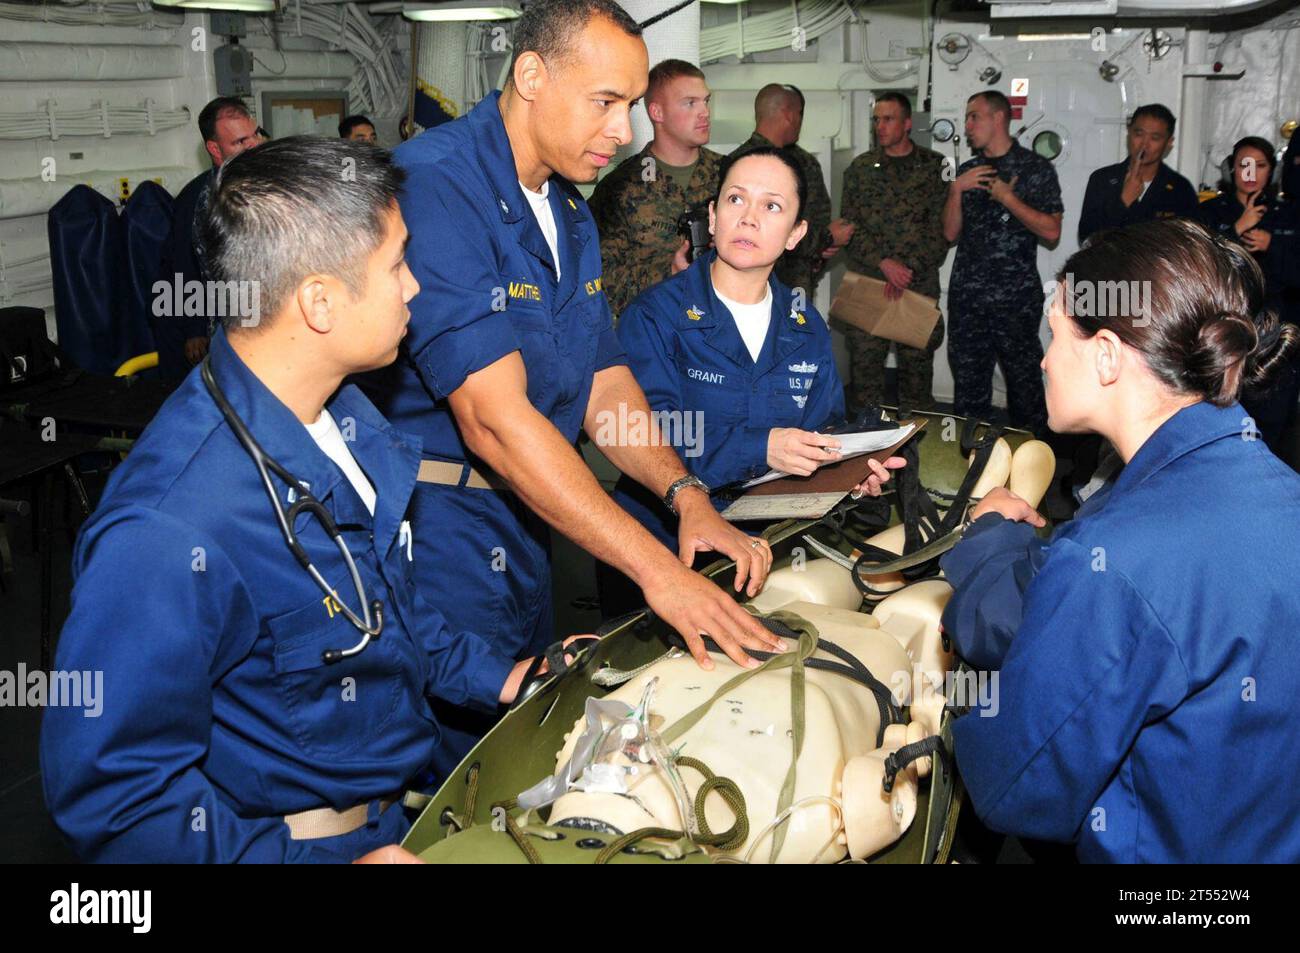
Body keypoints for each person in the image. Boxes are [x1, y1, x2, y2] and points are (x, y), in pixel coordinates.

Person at [41, 138, 569, 863]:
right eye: (396, 264)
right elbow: (118, 796)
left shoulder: (344, 418)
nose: (414, 286)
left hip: (396, 822)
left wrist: (508, 678)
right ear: (319, 301)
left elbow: (383, 608)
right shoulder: (169, 525)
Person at [356, 0, 784, 777]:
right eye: (607, 102)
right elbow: (492, 420)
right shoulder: (438, 188)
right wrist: (659, 573)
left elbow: (602, 384)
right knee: (451, 767)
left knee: (528, 739)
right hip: (438, 534)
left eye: (631, 104)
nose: (624, 131)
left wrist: (684, 494)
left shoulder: (568, 211)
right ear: (530, 76)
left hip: (531, 520)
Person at [946, 218, 1300, 862]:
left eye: (1055, 335)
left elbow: (1014, 789)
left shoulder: (1115, 561)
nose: (1044, 358)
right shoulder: (1278, 488)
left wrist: (947, 720)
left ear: (1107, 355)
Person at [599, 148, 902, 611]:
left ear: (796, 234)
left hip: (769, 549)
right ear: (713, 217)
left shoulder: (806, 327)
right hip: (662, 547)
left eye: (772, 206)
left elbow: (821, 432)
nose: (749, 218)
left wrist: (851, 472)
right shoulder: (656, 316)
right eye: (736, 200)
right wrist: (761, 447)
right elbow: (645, 433)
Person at [943, 90, 1063, 438]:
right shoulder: (967, 170)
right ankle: (967, 471)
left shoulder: (1035, 168)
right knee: (968, 389)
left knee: (1025, 388)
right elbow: (949, 233)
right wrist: (955, 190)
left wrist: (1008, 198)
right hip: (968, 299)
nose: (967, 126)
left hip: (1014, 298)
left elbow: (1052, 230)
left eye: (973, 117)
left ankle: (1032, 469)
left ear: (998, 118)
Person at [839, 92, 950, 411]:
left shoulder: (935, 167)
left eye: (888, 119)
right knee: (866, 381)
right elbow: (850, 227)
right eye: (876, 119)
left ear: (907, 124)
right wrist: (884, 264)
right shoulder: (860, 168)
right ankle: (867, 449)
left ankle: (918, 449)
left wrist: (906, 269)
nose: (880, 126)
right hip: (870, 283)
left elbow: (942, 229)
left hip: (915, 285)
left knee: (916, 378)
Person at [588, 59, 723, 322]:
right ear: (657, 113)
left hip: (716, 335)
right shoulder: (620, 189)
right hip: (650, 336)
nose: (704, 112)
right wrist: (668, 273)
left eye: (706, 101)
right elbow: (599, 279)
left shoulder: (731, 177)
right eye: (690, 103)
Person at [1195, 136, 1299, 452]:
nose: (1251, 172)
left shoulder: (1289, 214)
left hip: (1274, 333)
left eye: (1260, 165)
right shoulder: (1210, 211)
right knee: (1216, 412)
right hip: (1222, 327)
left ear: (1272, 171)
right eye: (1244, 165)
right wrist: (1236, 229)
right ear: (1232, 169)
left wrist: (1274, 245)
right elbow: (1197, 264)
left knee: (1272, 419)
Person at [154, 97, 261, 383]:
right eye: (240, 141)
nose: (253, 145)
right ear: (214, 149)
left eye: (256, 134)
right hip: (226, 331)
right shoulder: (196, 200)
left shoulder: (273, 187)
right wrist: (193, 329)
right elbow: (182, 264)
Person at [731, 84, 854, 300]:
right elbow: (759, 232)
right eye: (799, 114)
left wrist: (819, 249)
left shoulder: (734, 163)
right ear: (788, 115)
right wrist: (827, 237)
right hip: (760, 288)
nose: (800, 121)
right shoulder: (749, 166)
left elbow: (818, 218)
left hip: (792, 285)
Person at [1077, 104, 1198, 244]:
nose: (1144, 144)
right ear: (1129, 133)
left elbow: (1190, 244)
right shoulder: (1103, 179)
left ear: (1169, 143)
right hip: (1111, 264)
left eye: (1155, 138)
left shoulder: (1180, 188)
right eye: (1138, 134)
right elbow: (1087, 239)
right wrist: (1123, 201)